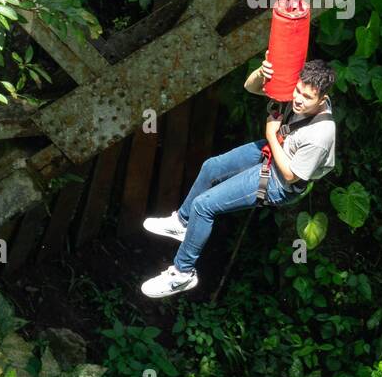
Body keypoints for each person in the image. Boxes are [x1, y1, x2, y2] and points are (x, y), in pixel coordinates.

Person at [139, 58, 338, 298]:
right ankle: (182, 223)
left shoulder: (321, 135)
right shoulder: (295, 93)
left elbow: (290, 175)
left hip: (280, 181)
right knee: (211, 167)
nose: (297, 99)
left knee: (204, 206)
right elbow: (250, 87)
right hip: (275, 149)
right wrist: (260, 73)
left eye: (307, 97)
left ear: (322, 98)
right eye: (298, 91)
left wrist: (271, 134)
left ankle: (183, 274)